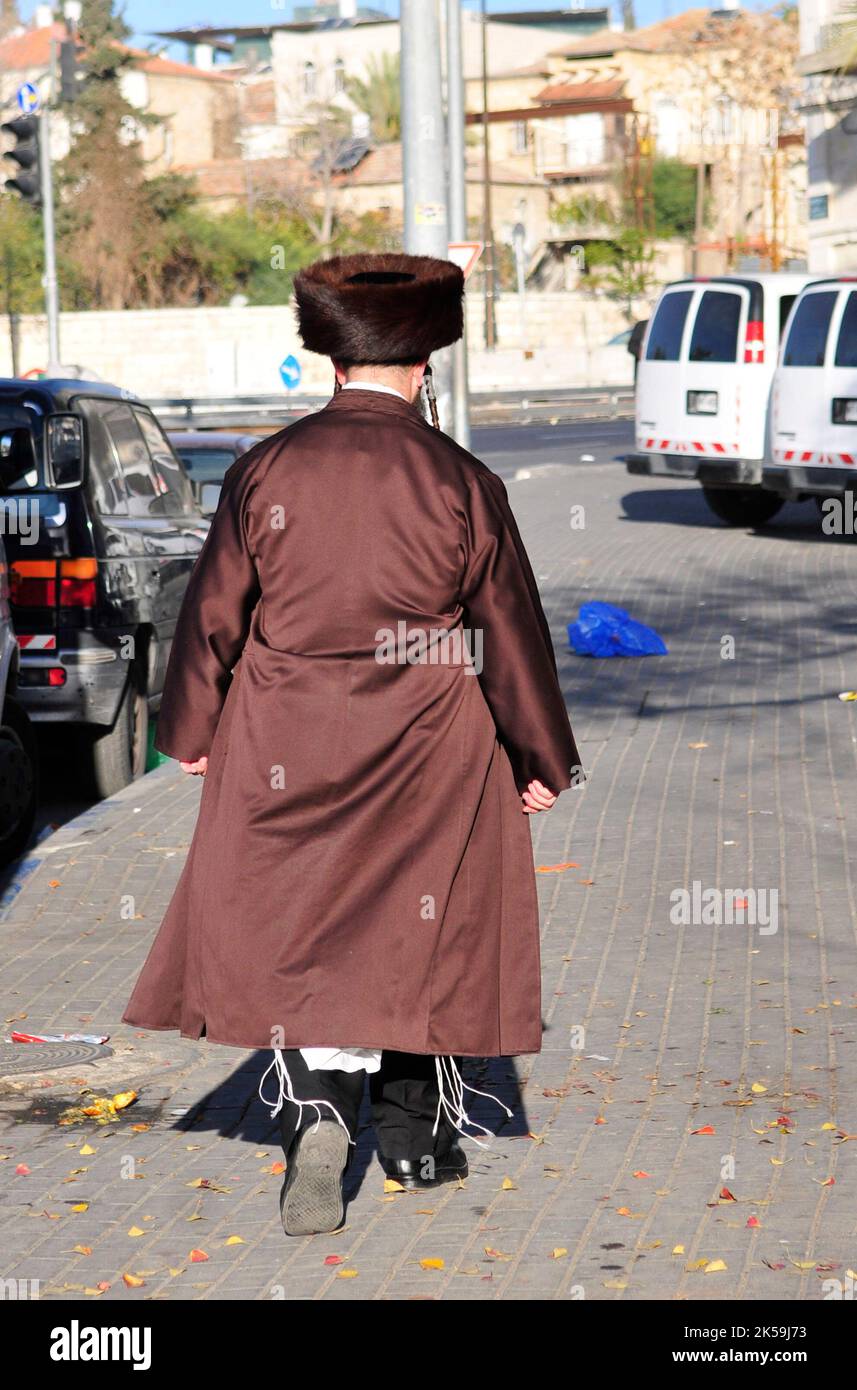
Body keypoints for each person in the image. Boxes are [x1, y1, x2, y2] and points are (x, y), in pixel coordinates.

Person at [122, 253, 581, 1238]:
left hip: (286, 731)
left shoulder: (265, 469)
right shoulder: (461, 478)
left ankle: (319, 1127)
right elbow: (506, 631)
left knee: (311, 932)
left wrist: (191, 732)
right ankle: (415, 1143)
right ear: (422, 366)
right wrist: (538, 756)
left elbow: (212, 613)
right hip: (427, 737)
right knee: (420, 931)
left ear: (332, 362)